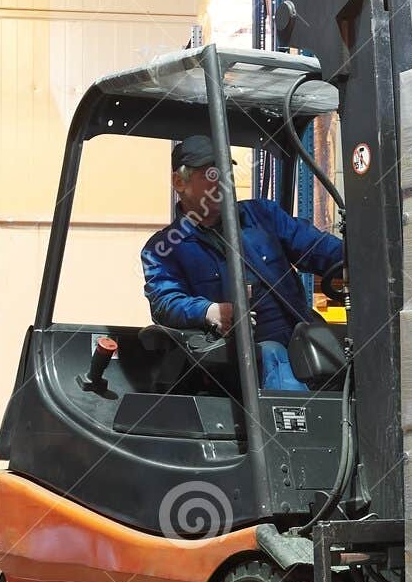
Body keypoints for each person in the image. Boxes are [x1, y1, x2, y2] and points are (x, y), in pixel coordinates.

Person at [141, 135, 343, 392]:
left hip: (300, 340)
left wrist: (357, 253)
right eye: (211, 174)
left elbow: (317, 248)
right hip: (236, 363)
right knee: (273, 358)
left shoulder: (263, 216)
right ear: (179, 182)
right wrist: (210, 312)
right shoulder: (164, 249)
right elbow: (165, 302)